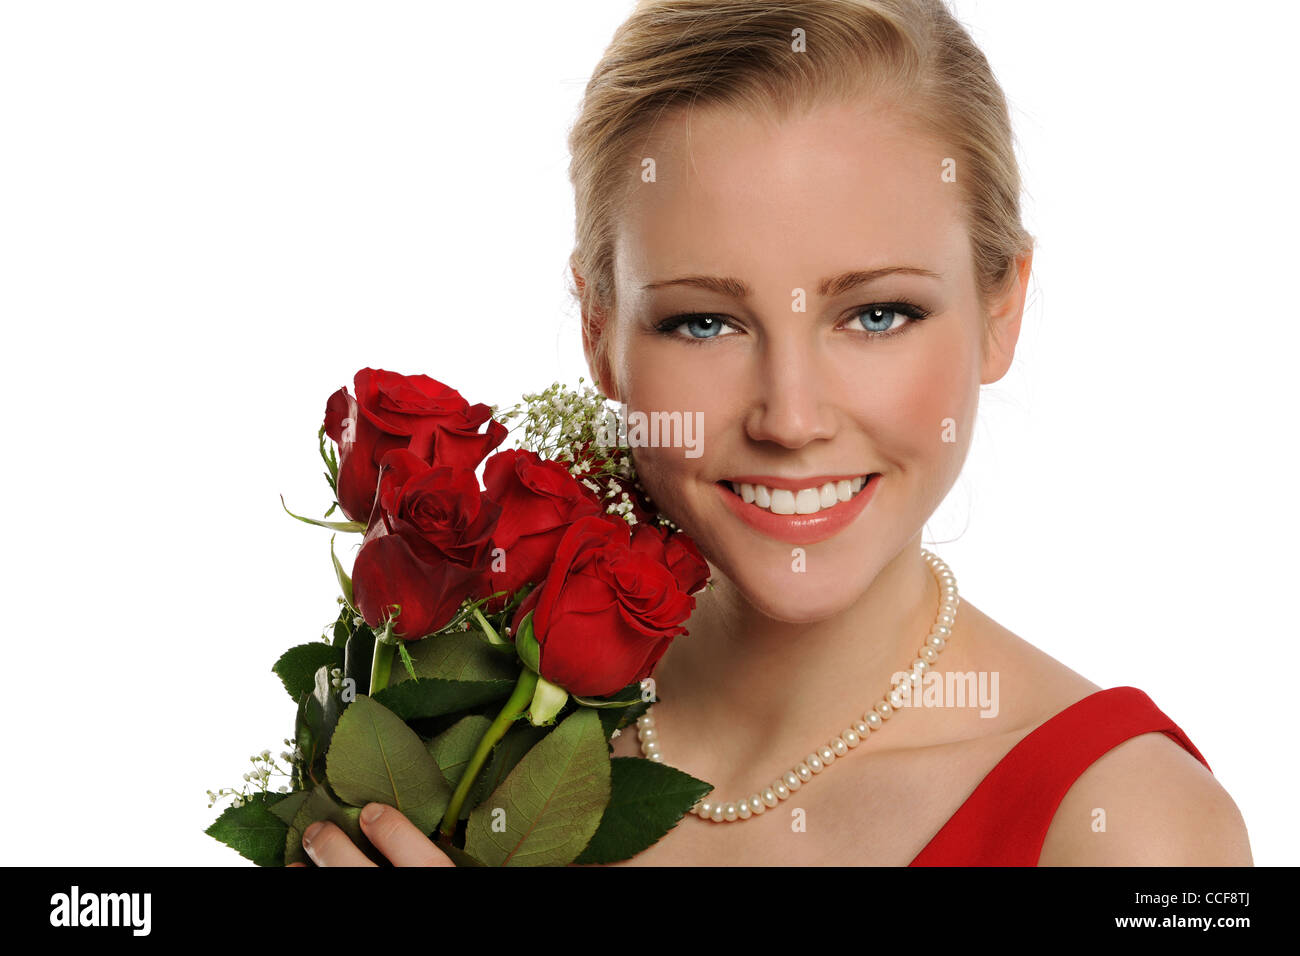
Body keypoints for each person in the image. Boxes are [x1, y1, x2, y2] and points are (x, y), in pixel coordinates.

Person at [294, 0, 1252, 867]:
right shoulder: (455, 727)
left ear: (1004, 308)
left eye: (877, 314)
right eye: (704, 322)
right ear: (599, 332)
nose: (791, 420)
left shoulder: (1137, 831)